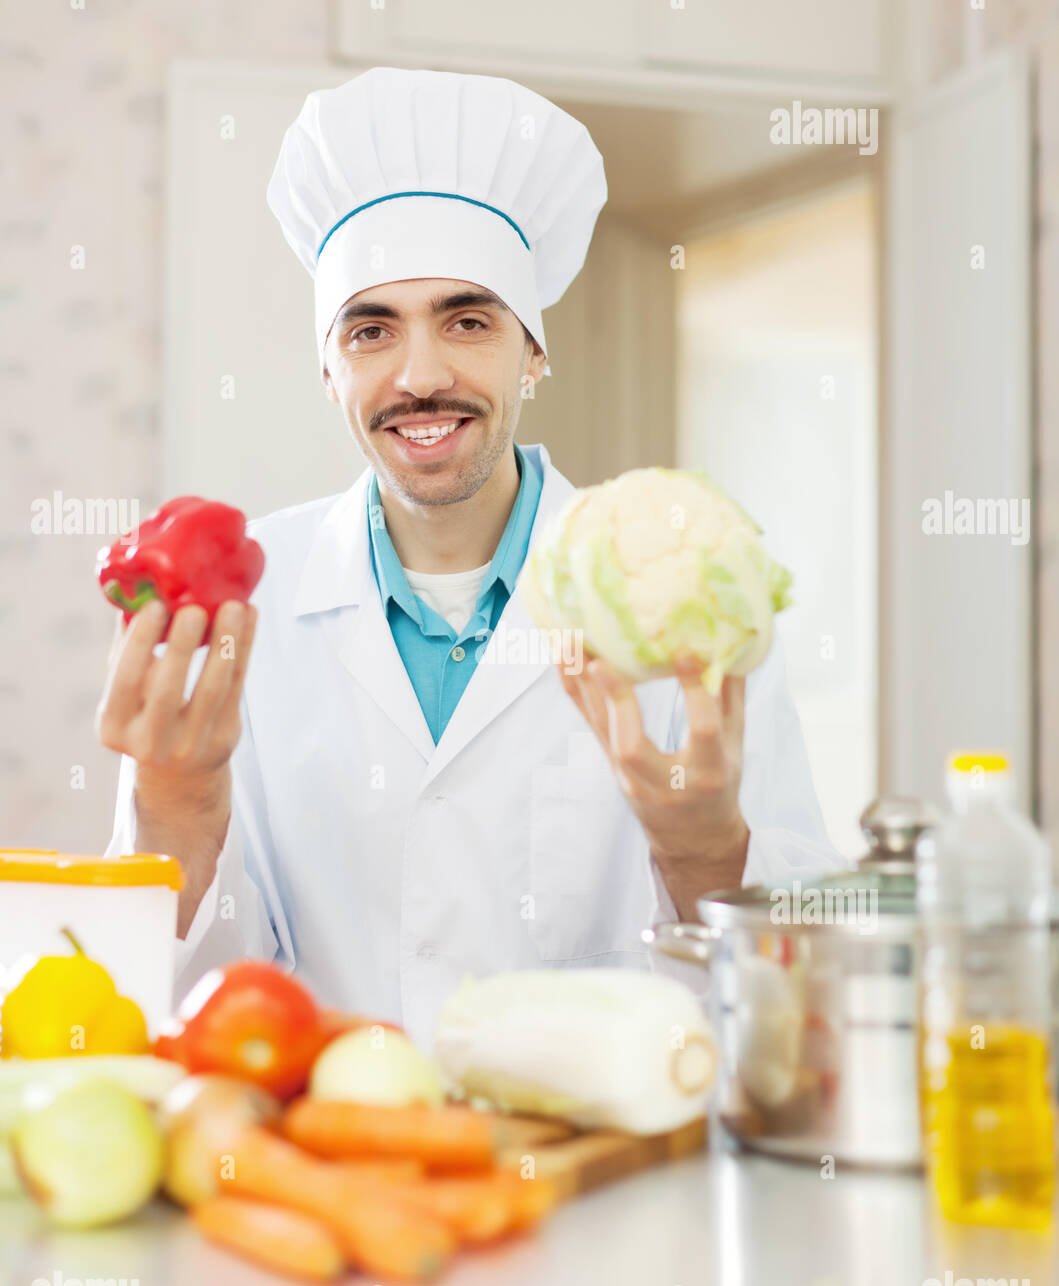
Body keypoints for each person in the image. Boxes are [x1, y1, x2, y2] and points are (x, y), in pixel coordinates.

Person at [99, 68, 843, 1046]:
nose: (420, 376)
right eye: (372, 330)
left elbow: (805, 1024)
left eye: (467, 319)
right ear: (331, 370)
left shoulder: (685, 599)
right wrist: (179, 807)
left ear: (533, 348)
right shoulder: (242, 609)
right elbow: (163, 1008)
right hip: (342, 1162)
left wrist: (707, 858)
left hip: (621, 1178)